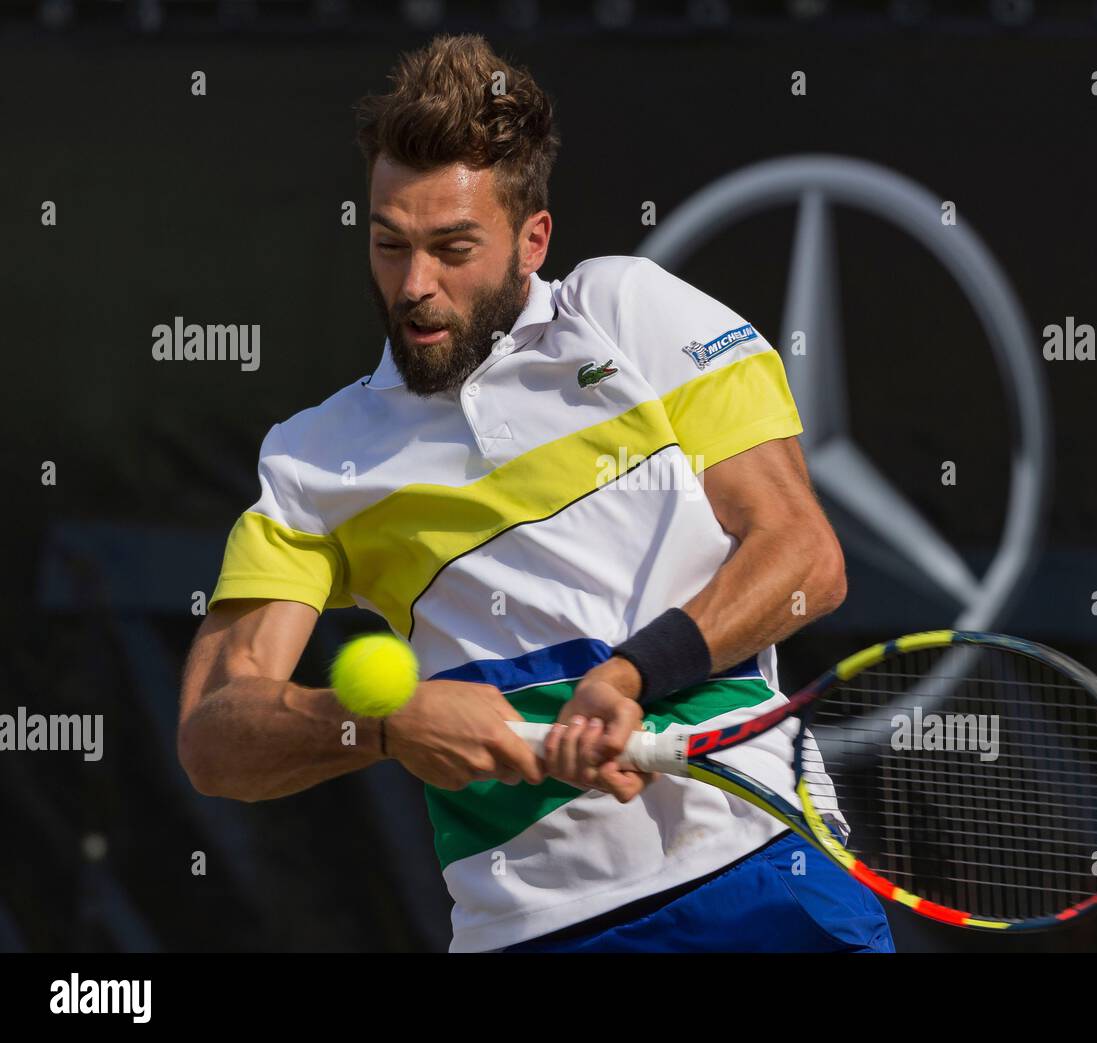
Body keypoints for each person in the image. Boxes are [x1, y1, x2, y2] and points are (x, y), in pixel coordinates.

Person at [177, 32, 892, 954]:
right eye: (390, 245)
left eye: (452, 248)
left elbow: (803, 557)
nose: (416, 286)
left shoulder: (632, 310)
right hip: (531, 932)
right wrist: (386, 726)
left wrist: (631, 675)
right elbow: (212, 734)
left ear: (532, 240)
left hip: (763, 871)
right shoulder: (316, 460)